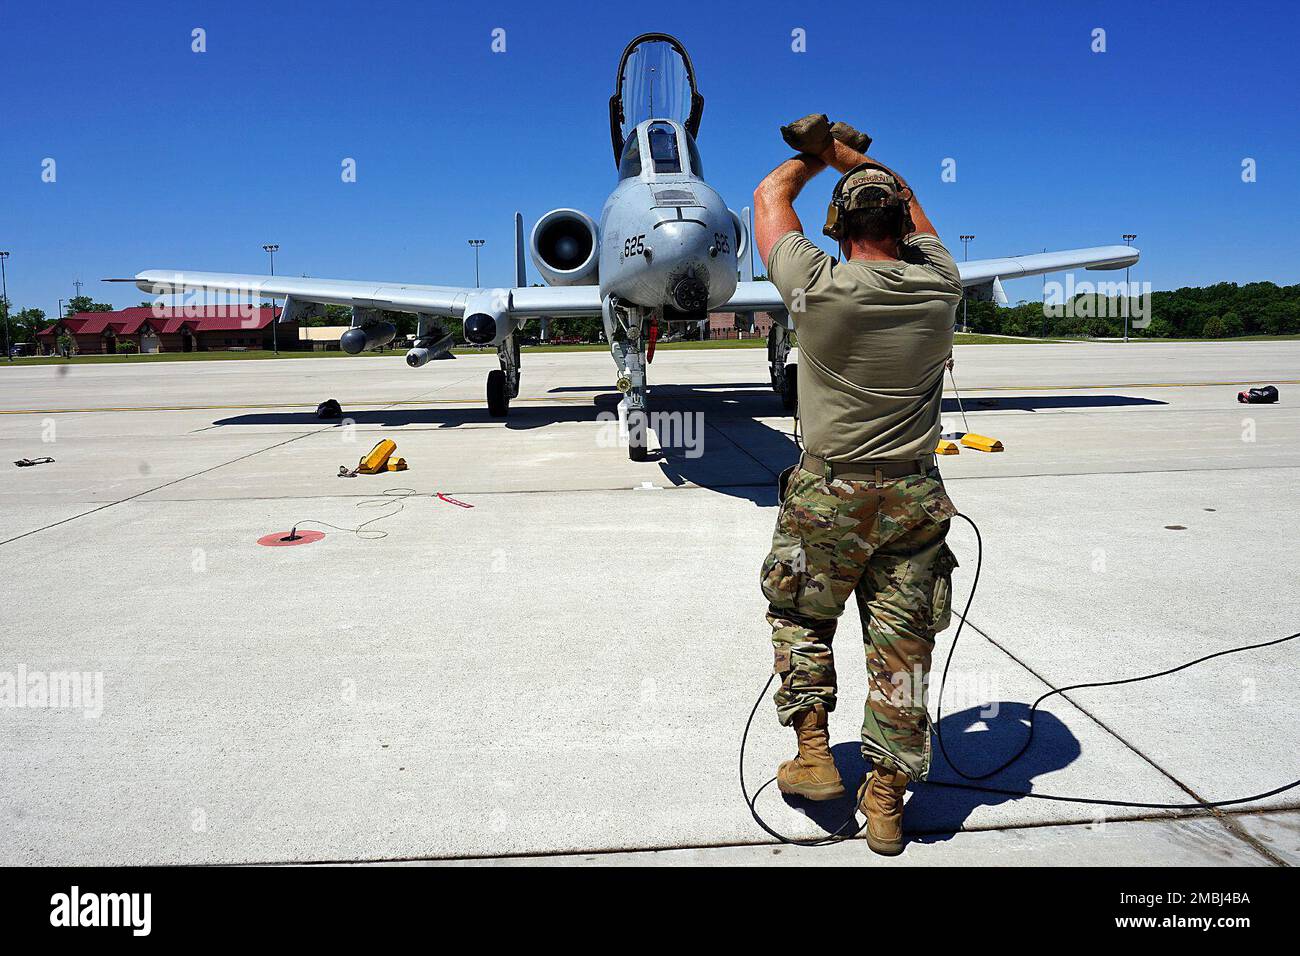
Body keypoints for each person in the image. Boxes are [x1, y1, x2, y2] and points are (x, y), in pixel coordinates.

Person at [753, 114, 963, 856]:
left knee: (804, 619)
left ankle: (814, 755)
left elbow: (769, 196)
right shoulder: (942, 287)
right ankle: (885, 804)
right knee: (902, 651)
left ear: (837, 225)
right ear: (904, 224)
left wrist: (814, 159)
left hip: (827, 499)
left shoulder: (816, 289)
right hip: (912, 500)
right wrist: (851, 156)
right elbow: (908, 198)